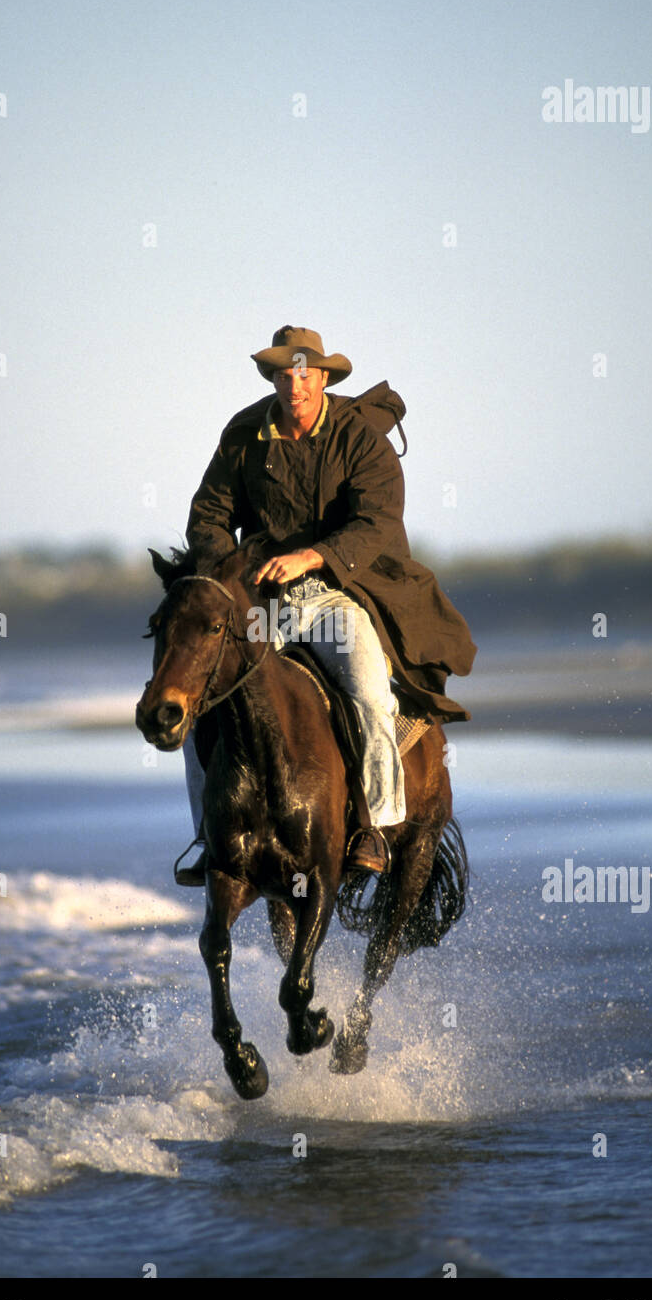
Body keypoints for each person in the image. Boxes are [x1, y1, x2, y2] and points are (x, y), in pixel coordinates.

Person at [176, 325, 476, 883]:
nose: (296, 386)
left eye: (306, 375)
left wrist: (312, 556)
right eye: (285, 376)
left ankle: (376, 829)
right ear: (272, 378)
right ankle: (208, 838)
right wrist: (228, 573)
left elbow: (377, 519)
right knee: (202, 705)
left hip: (336, 594)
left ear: (323, 378)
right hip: (261, 601)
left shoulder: (360, 438)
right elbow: (209, 516)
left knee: (366, 687)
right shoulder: (242, 435)